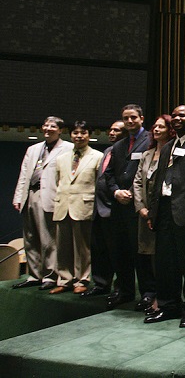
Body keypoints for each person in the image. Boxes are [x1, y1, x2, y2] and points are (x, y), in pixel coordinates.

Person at [145, 105, 185, 327]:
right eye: (175, 115)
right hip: (164, 210)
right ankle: (168, 305)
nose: (177, 118)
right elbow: (158, 181)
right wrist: (153, 211)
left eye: (183, 115)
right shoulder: (168, 146)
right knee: (165, 263)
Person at [103, 104, 155, 310]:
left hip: (139, 205)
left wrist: (135, 195)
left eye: (133, 117)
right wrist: (116, 191)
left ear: (141, 118)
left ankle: (148, 293)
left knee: (140, 253)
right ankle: (124, 291)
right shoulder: (119, 145)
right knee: (120, 251)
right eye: (126, 118)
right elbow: (108, 175)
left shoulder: (151, 140)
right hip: (119, 206)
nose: (130, 121)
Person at [11, 117, 73, 291]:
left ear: (60, 130)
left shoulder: (68, 148)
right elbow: (24, 174)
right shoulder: (33, 149)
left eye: (52, 126)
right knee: (30, 238)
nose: (47, 128)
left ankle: (50, 276)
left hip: (51, 197)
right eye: (46, 125)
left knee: (49, 239)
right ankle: (34, 275)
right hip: (30, 194)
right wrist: (18, 197)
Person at [49, 121, 103, 294]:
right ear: (70, 134)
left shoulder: (97, 156)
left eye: (83, 132)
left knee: (83, 247)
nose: (79, 136)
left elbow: (99, 183)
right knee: (62, 246)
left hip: (83, 206)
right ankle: (64, 279)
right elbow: (59, 181)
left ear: (89, 135)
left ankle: (83, 279)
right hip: (62, 205)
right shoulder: (61, 158)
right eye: (75, 133)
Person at [132, 114, 176, 314]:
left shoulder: (174, 152)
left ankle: (163, 296)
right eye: (154, 127)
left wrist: (154, 211)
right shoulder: (146, 154)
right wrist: (141, 206)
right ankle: (148, 294)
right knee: (145, 254)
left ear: (170, 130)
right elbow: (138, 182)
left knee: (163, 256)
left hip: (164, 211)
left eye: (161, 127)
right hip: (145, 211)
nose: (156, 130)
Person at [83, 121, 126, 298]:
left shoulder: (123, 153)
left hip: (113, 209)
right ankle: (101, 284)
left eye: (116, 130)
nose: (111, 132)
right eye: (111, 129)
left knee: (116, 252)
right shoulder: (107, 152)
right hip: (98, 209)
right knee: (98, 250)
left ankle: (120, 288)